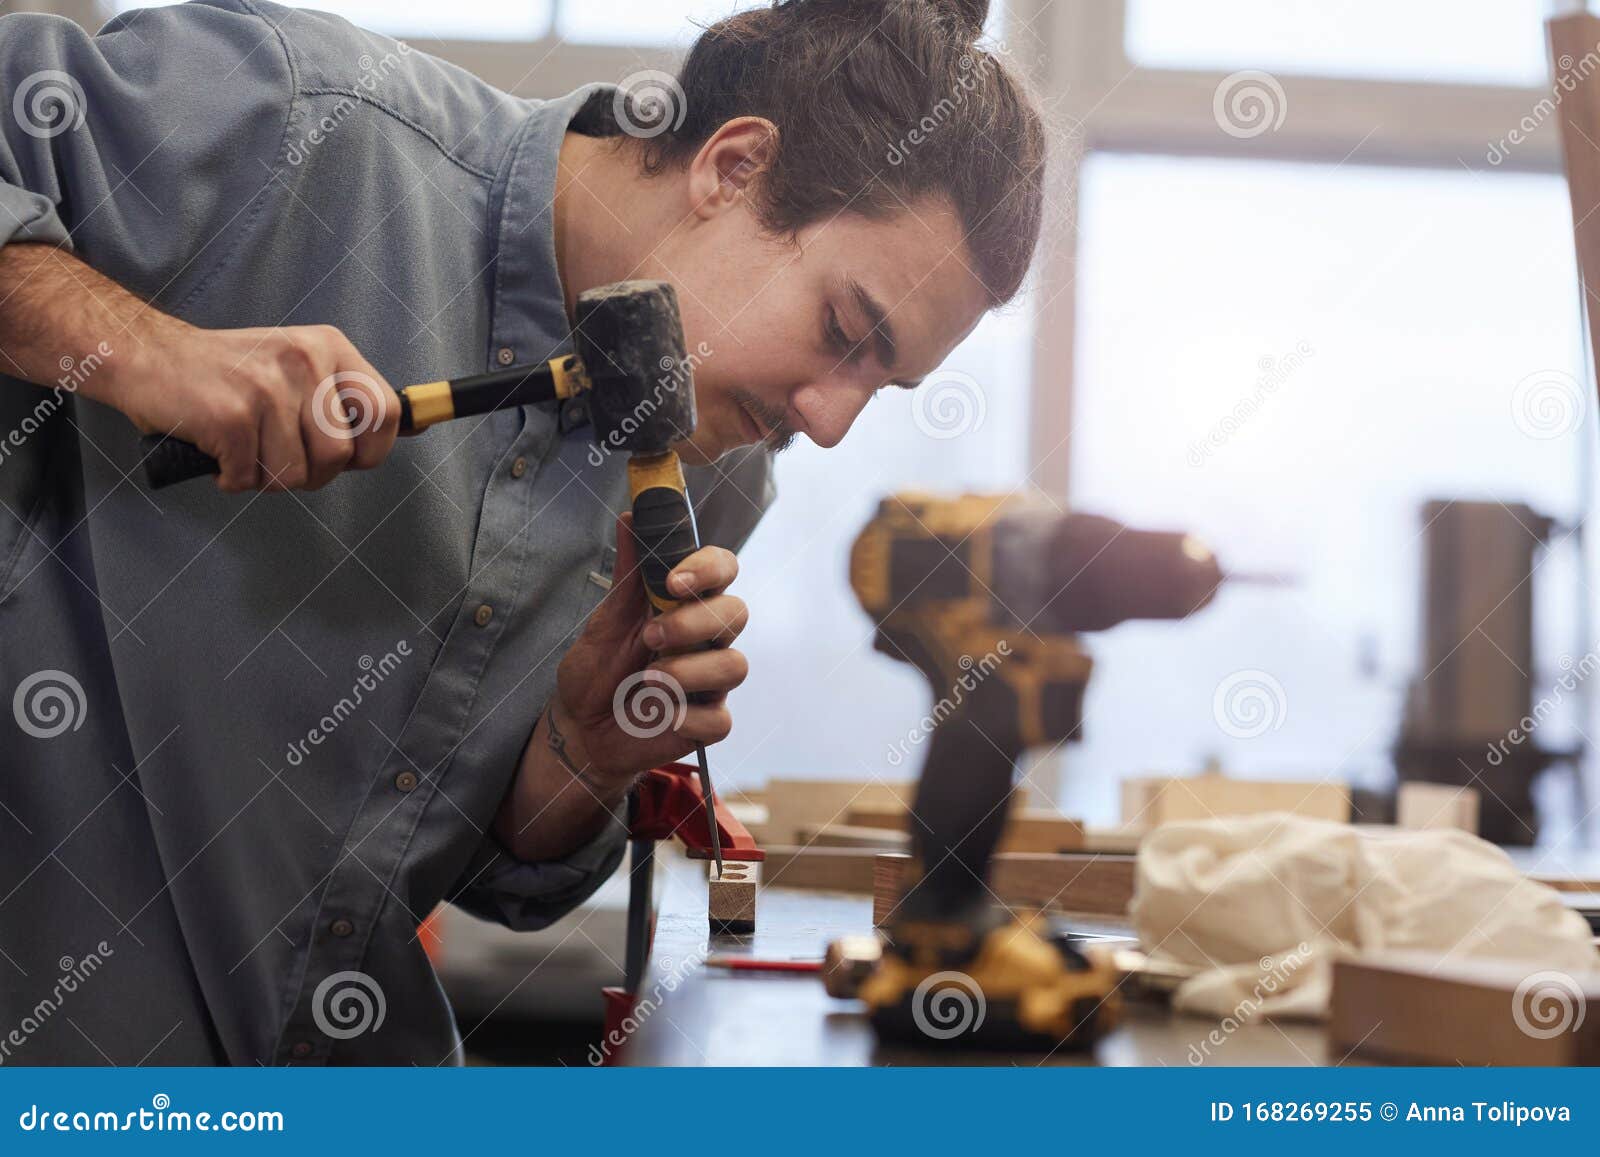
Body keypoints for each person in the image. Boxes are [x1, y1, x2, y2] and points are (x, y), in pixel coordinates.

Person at [0, 0, 1045, 1062]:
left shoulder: (718, 470)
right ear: (731, 169)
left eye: (884, 383)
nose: (829, 419)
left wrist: (581, 754)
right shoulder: (297, 118)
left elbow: (489, 876)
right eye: (842, 332)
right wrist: (137, 347)